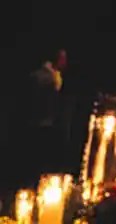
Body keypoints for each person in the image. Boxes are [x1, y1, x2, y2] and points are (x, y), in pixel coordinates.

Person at [23, 48, 67, 184]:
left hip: (49, 123)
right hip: (40, 124)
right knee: (37, 160)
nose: (65, 62)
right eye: (63, 59)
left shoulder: (56, 76)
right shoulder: (43, 77)